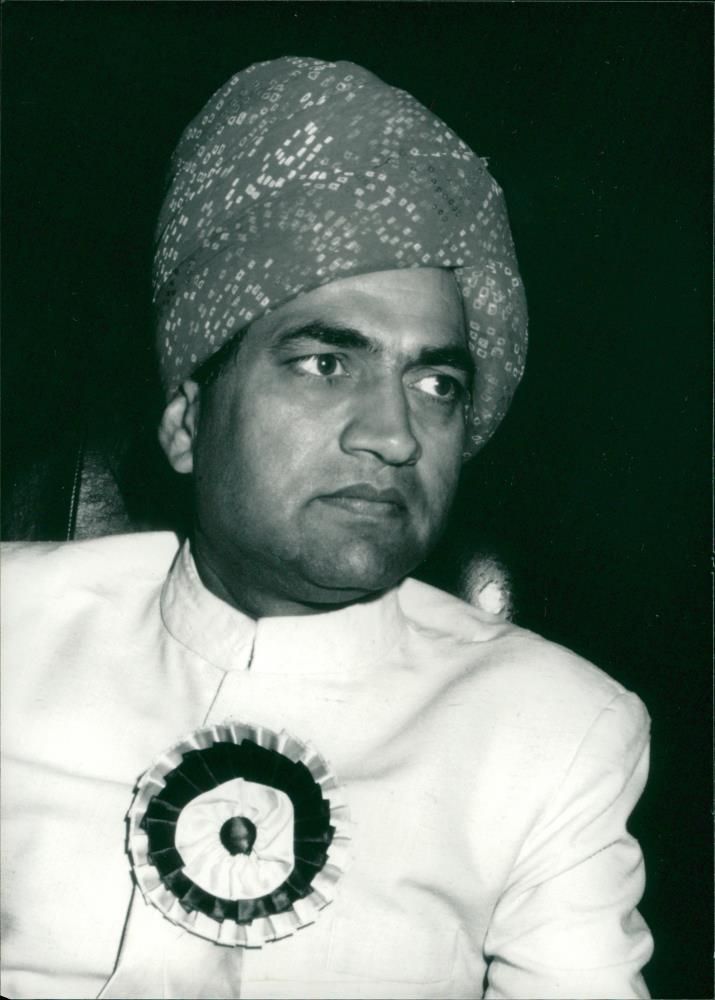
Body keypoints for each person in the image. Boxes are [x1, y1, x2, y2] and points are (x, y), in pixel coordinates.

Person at [0, 56, 652, 999]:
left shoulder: (556, 731)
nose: (395, 434)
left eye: (437, 384)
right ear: (187, 424)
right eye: (324, 364)